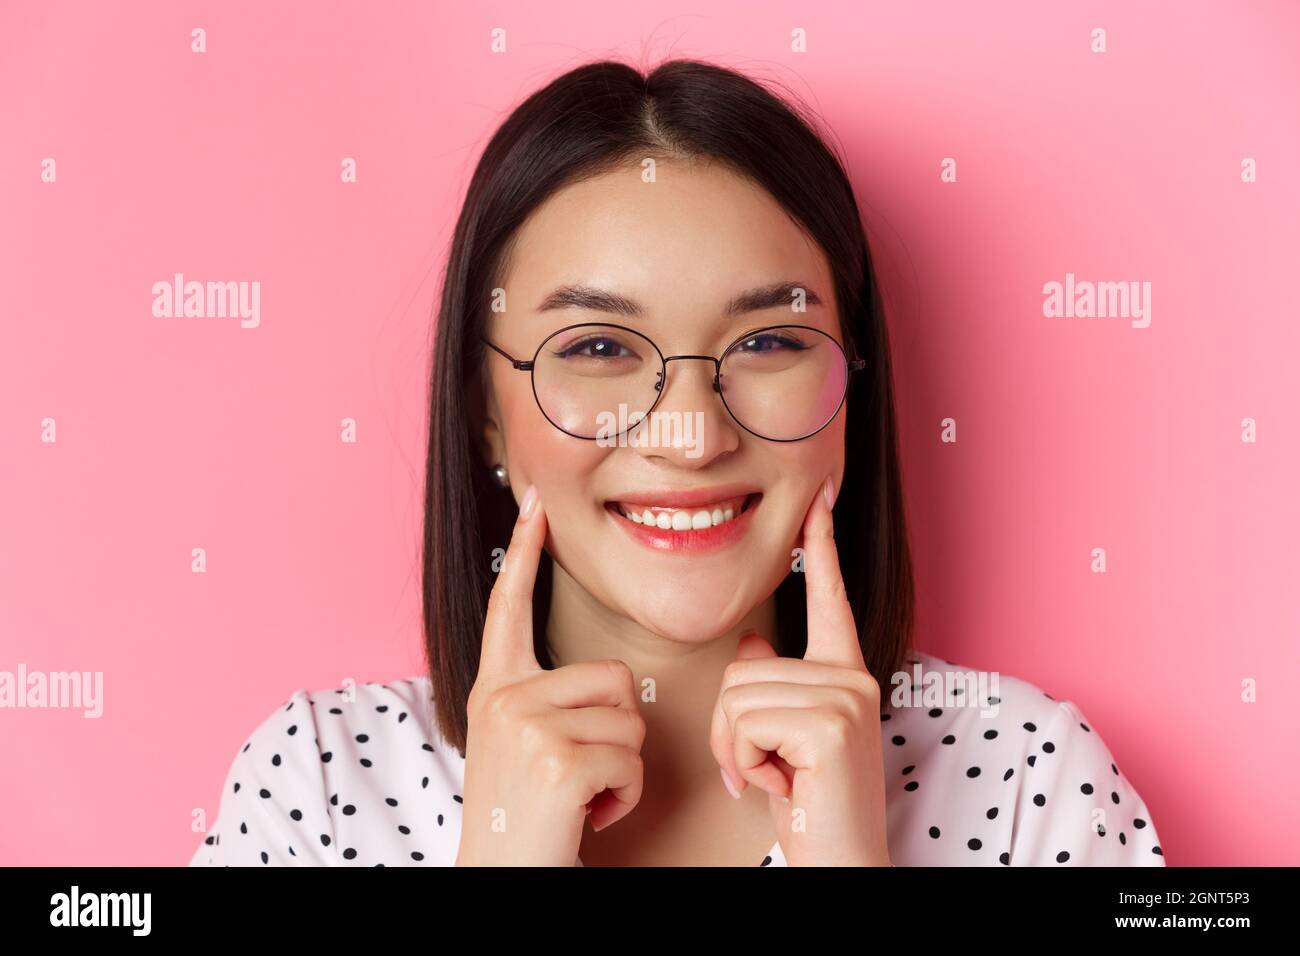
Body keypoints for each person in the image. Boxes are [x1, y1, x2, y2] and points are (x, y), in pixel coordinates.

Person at [189, 58, 1165, 867]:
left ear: (850, 390)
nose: (691, 436)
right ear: (484, 412)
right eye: (599, 348)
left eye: (769, 343)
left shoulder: (1027, 777)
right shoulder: (319, 780)